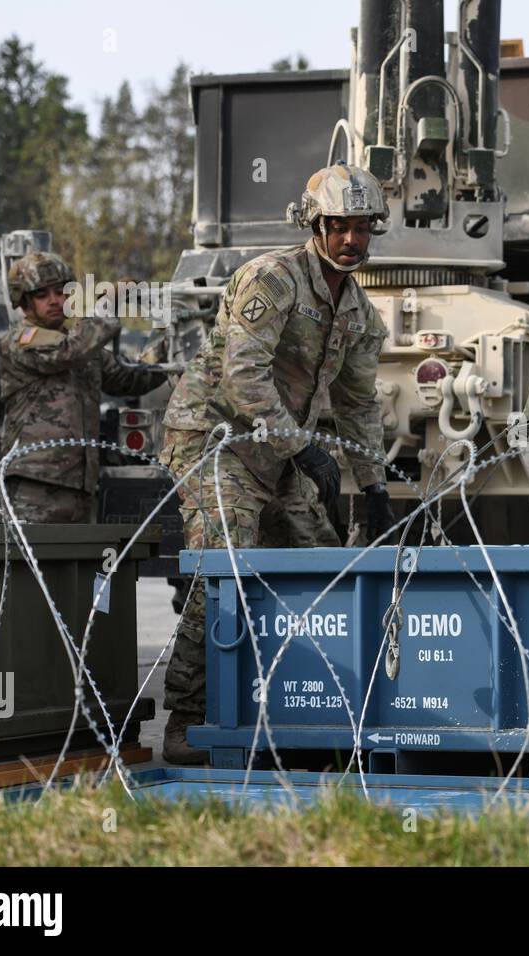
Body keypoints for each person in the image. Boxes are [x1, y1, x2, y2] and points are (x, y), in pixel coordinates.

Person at [158, 165, 396, 765]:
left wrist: (374, 487)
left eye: (361, 228)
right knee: (226, 566)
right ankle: (187, 718)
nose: (350, 239)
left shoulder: (361, 314)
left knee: (315, 563)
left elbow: (358, 402)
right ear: (314, 224)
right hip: (217, 439)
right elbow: (244, 379)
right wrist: (305, 449)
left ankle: (298, 709)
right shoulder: (273, 278)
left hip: (280, 447)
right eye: (337, 226)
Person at [0, 252, 168, 522]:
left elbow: (132, 379)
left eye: (60, 292)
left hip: (81, 486)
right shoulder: (21, 341)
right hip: (34, 487)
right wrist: (107, 306)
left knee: (77, 564)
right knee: (29, 564)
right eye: (42, 294)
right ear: (25, 302)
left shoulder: (83, 345)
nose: (54, 300)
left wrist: (166, 339)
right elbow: (70, 351)